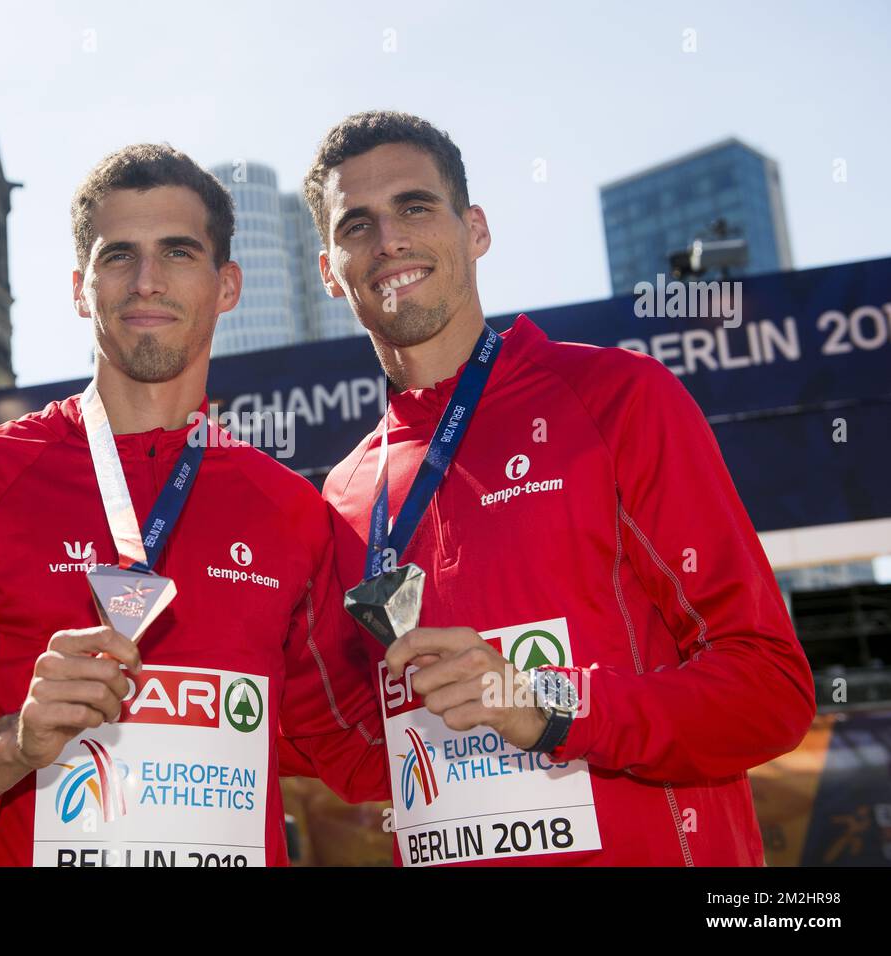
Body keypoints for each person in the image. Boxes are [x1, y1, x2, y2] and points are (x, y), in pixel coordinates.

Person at [0, 143, 387, 867]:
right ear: (80, 287)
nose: (147, 282)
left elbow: (354, 754)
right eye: (118, 255)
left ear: (227, 285)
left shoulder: (289, 511)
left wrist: (521, 696)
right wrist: (17, 744)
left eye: (179, 253)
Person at [304, 110, 816, 865]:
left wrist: (548, 703)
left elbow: (771, 694)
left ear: (475, 228)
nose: (389, 242)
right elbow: (356, 755)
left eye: (415, 206)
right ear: (327, 270)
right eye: (357, 225)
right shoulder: (346, 494)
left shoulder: (617, 398)